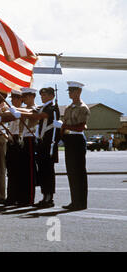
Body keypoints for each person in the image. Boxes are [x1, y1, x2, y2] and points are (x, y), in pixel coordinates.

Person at [17, 87, 62, 208]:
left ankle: (49, 197)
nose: (42, 97)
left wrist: (20, 113)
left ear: (52, 96)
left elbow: (39, 116)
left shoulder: (52, 108)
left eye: (45, 95)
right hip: (42, 143)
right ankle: (44, 195)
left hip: (49, 143)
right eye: (42, 95)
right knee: (42, 171)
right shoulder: (44, 107)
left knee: (48, 171)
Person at [61, 81, 90, 211]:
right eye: (69, 91)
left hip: (77, 139)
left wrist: (63, 126)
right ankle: (74, 201)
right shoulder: (68, 108)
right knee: (71, 172)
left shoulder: (83, 108)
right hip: (69, 139)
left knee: (79, 172)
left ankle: (81, 202)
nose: (70, 93)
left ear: (79, 92)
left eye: (72, 91)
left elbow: (80, 127)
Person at [0, 89, 24, 206]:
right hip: (10, 140)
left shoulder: (22, 110)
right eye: (12, 98)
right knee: (11, 171)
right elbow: (6, 118)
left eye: (14, 98)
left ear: (20, 99)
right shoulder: (12, 110)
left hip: (18, 140)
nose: (12, 100)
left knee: (18, 171)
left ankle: (18, 196)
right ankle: (11, 196)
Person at [18, 87, 39, 206]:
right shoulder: (23, 110)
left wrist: (19, 111)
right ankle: (23, 197)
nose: (24, 99)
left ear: (32, 97)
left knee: (30, 170)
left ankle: (30, 198)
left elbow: (32, 114)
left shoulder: (36, 109)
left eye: (26, 97)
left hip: (31, 138)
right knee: (23, 170)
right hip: (24, 139)